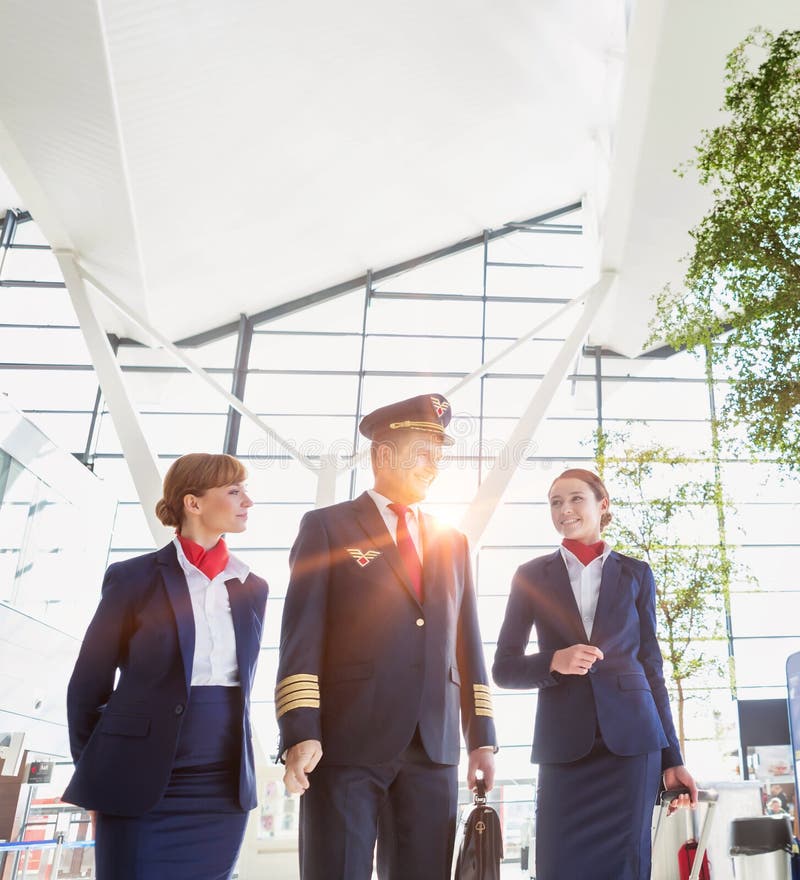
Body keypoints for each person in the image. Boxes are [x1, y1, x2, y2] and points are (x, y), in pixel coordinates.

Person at [276, 393, 497, 880]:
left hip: (433, 746)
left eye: (440, 456)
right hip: (347, 741)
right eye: (423, 453)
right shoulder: (327, 527)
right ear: (382, 455)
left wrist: (482, 737)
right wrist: (300, 728)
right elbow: (300, 635)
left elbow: (469, 645)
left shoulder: (453, 541)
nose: (434, 466)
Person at [63, 453, 268, 880]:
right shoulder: (134, 579)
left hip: (221, 787)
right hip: (139, 782)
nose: (247, 500)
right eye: (234, 491)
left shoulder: (252, 588)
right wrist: (100, 774)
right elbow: (88, 685)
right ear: (193, 503)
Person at [492, 468, 697, 880]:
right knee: (557, 866)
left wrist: (673, 757)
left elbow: (651, 669)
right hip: (564, 744)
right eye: (555, 502)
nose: (564, 509)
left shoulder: (636, 573)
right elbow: (504, 668)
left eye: (575, 499)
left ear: (602, 505)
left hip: (633, 743)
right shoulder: (530, 575)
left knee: (626, 864)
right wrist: (554, 660)